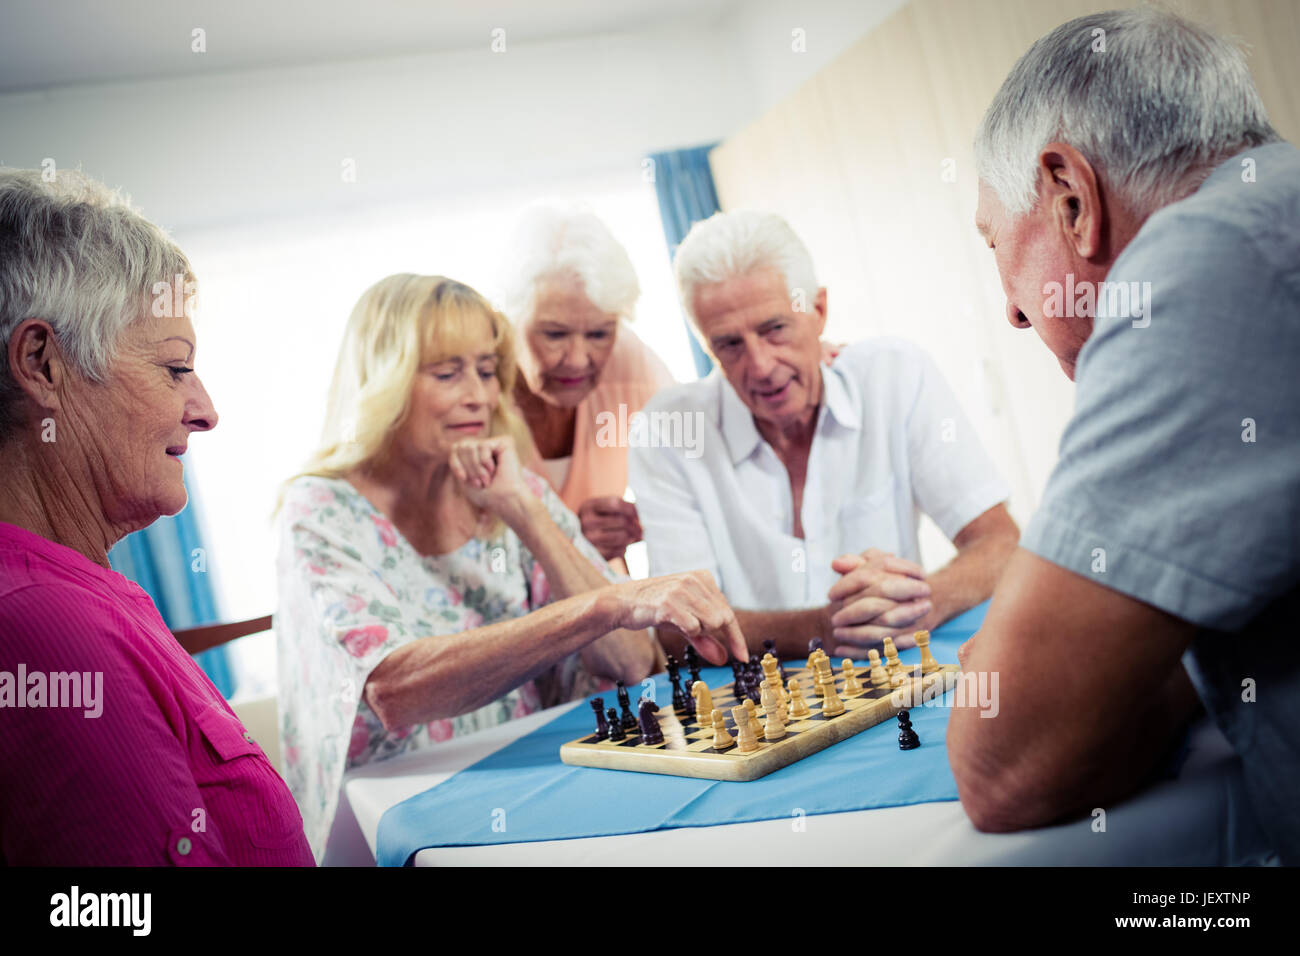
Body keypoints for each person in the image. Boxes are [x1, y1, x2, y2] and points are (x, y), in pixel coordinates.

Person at [948, 7, 1298, 864]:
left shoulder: (1207, 263)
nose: (1013, 312)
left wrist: (1109, 686)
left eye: (997, 244)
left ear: (1071, 197)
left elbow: (1005, 763)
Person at [276, 274, 744, 861]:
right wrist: (605, 603)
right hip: (390, 816)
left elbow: (629, 660)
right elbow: (396, 693)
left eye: (486, 369)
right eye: (447, 373)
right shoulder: (319, 508)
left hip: (526, 787)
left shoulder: (510, 487)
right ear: (384, 380)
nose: (479, 395)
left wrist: (524, 512)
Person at [0, 168, 314, 865]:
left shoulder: (81, 591)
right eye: (175, 370)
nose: (206, 411)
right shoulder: (40, 623)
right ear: (43, 364)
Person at [627, 210, 1019, 660]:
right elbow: (677, 629)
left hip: (902, 675)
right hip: (763, 697)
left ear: (818, 311)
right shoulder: (667, 432)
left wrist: (919, 604)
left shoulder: (894, 375)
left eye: (775, 329)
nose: (761, 366)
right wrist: (821, 630)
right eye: (729, 344)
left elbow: (1000, 543)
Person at [499, 205, 676, 567]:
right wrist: (565, 537)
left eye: (599, 334)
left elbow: (701, 466)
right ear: (510, 320)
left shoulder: (631, 362)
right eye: (554, 334)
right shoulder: (477, 382)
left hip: (606, 589)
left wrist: (643, 519)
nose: (578, 360)